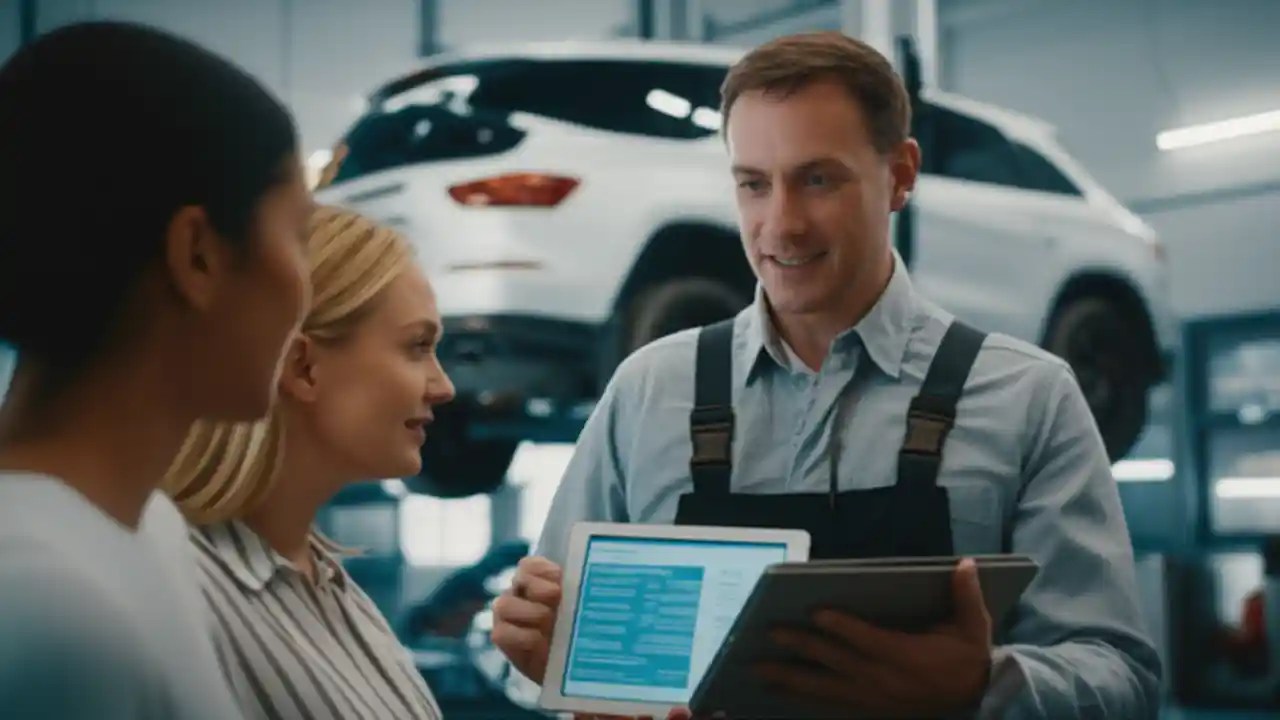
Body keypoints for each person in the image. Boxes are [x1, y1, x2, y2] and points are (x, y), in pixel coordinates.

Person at [492, 31, 1162, 719]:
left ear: (900, 174)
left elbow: (1122, 676)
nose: (780, 226)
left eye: (818, 180)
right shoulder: (648, 393)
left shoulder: (1030, 398)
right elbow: (556, 652)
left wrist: (983, 685)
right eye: (753, 184)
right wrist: (538, 662)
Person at [0, 21, 311, 720]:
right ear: (198, 254)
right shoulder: (46, 607)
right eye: (299, 235)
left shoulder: (152, 529)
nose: (306, 286)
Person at [162, 206, 455, 720]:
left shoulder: (333, 589)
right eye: (418, 347)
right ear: (303, 367)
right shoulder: (175, 600)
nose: (444, 386)